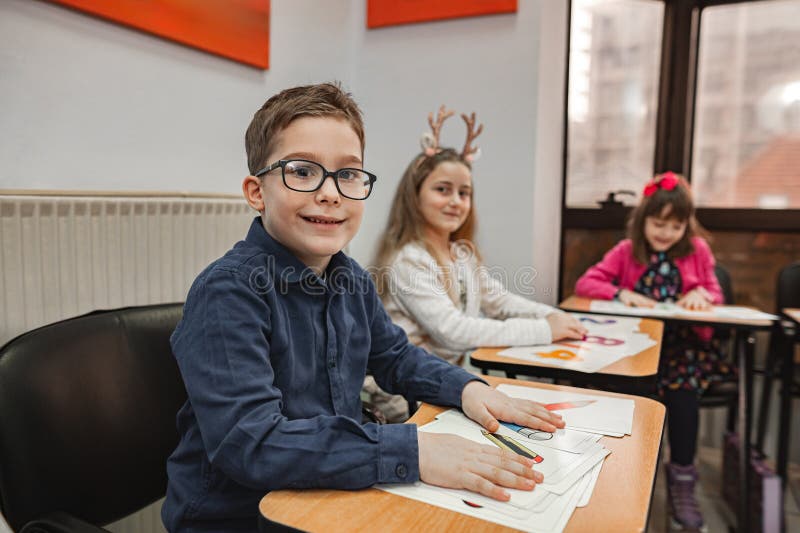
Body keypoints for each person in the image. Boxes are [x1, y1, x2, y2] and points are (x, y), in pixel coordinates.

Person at [161, 84, 566, 532]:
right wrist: (413, 451)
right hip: (241, 519)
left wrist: (469, 389)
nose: (331, 193)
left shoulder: (349, 277)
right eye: (301, 171)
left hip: (330, 495)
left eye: (348, 174)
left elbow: (396, 356)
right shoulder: (228, 293)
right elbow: (253, 442)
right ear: (256, 192)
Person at [364, 107, 586, 422]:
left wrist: (553, 316)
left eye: (464, 193)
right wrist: (544, 330)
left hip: (446, 383)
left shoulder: (460, 254)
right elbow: (453, 332)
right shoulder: (409, 260)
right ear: (415, 196)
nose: (456, 201)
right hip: (403, 398)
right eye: (443, 190)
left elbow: (499, 301)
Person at [575, 171, 728, 532]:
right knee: (630, 397)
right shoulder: (627, 251)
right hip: (635, 349)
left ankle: (682, 481)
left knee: (683, 395)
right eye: (657, 224)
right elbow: (587, 282)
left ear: (685, 228)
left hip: (684, 350)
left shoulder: (698, 252)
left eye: (674, 227)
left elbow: (716, 296)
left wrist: (701, 295)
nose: (664, 233)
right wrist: (619, 293)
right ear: (643, 220)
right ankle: (624, 476)